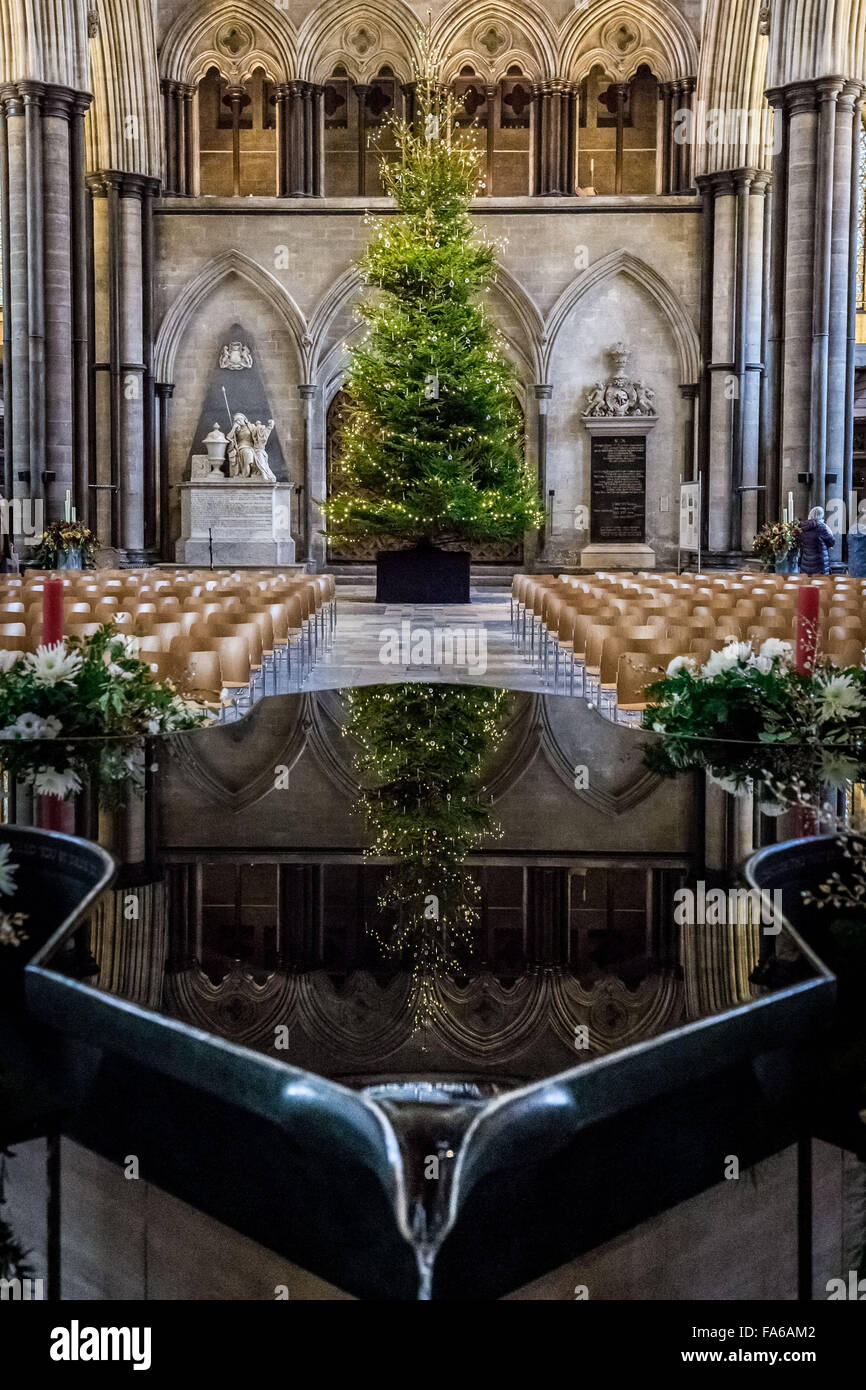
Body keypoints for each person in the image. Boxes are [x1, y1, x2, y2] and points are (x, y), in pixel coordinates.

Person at [799, 505, 834, 575]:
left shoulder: (804, 527)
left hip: (805, 563)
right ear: (821, 515)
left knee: (807, 583)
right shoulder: (821, 527)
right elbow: (831, 542)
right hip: (819, 564)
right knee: (820, 583)